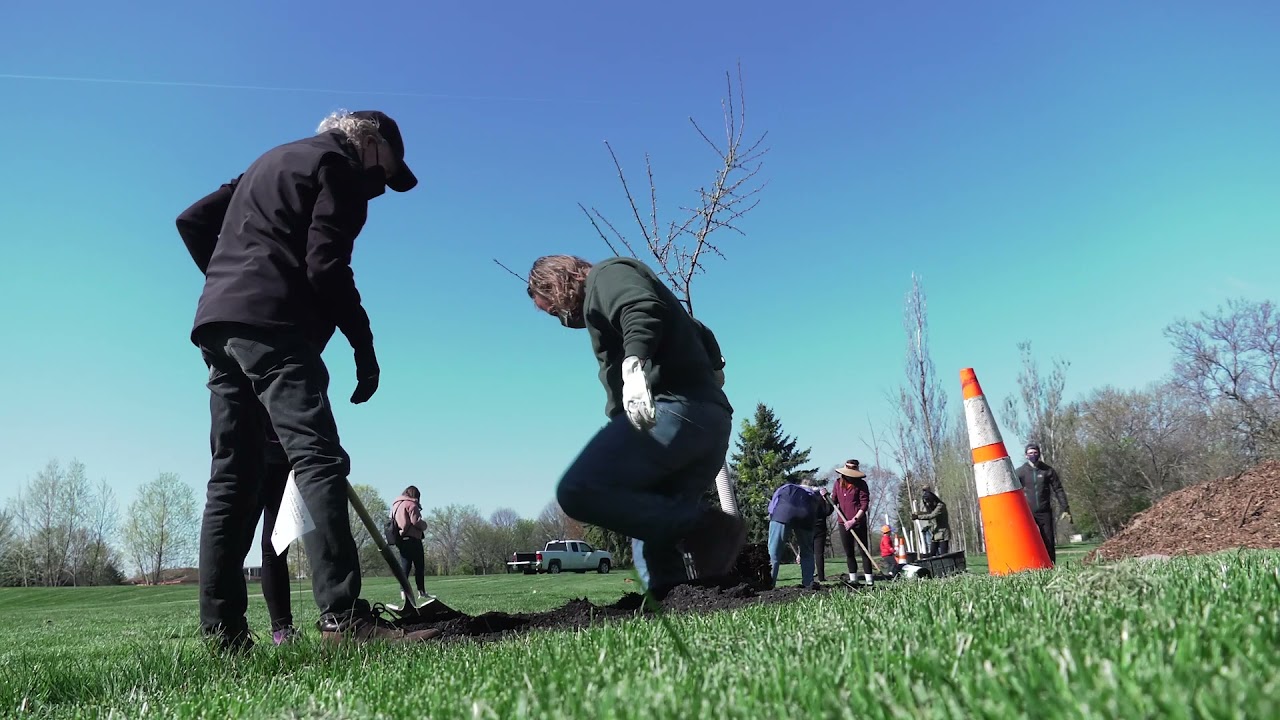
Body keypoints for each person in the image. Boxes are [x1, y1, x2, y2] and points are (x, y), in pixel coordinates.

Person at [176, 109, 438, 648]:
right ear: (367, 143)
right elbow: (326, 266)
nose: (382, 186)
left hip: (218, 326)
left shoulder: (265, 163)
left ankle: (222, 636)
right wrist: (364, 348)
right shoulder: (337, 167)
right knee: (318, 458)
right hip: (272, 327)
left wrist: (236, 279)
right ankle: (343, 620)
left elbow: (194, 221)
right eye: (386, 171)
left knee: (231, 478)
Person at [525, 254, 744, 599]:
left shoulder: (607, 276)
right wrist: (711, 367)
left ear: (559, 283)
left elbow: (640, 307)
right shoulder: (614, 290)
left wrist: (634, 365)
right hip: (707, 422)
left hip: (673, 412)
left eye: (555, 309)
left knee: (579, 489)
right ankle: (682, 603)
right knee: (651, 530)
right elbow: (695, 327)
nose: (563, 319)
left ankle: (706, 527)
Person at [256, 422, 298, 645]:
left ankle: (282, 631)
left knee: (274, 546)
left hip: (279, 456)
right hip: (261, 453)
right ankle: (225, 630)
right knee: (272, 549)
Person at [1015, 443, 1072, 564]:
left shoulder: (1048, 471)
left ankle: (1050, 566)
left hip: (1045, 511)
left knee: (1048, 540)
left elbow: (1058, 489)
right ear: (1026, 455)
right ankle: (1030, 566)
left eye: (1035, 453)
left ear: (1039, 454)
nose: (1033, 455)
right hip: (1028, 513)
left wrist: (1065, 508)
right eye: (1030, 453)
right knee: (1027, 540)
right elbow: (1014, 492)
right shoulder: (1020, 472)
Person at [765, 478, 825, 590]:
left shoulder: (786, 488)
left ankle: (769, 585)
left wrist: (774, 519)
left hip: (782, 514)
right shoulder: (814, 495)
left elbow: (772, 507)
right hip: (806, 516)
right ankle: (808, 584)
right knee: (807, 552)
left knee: (773, 553)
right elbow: (821, 512)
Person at [832, 460, 874, 577]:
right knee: (849, 553)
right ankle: (853, 579)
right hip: (843, 523)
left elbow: (864, 504)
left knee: (864, 551)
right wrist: (825, 498)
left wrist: (854, 520)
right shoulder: (837, 483)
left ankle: (869, 579)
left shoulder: (861, 485)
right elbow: (833, 501)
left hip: (858, 522)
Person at [390, 486, 429, 601]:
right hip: (413, 539)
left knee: (405, 567)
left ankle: (403, 591)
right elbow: (415, 521)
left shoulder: (395, 505)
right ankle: (421, 592)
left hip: (400, 539)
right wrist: (424, 525)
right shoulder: (411, 505)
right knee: (419, 566)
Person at [801, 474, 834, 581]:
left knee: (807, 552)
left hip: (807, 527)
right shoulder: (819, 497)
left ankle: (807, 577)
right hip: (820, 527)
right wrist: (828, 499)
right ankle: (821, 577)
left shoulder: (802, 498)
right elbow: (828, 511)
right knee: (819, 554)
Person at [912, 487, 951, 556]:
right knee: (932, 554)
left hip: (943, 533)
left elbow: (931, 516)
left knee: (943, 554)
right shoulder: (933, 508)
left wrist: (918, 517)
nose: (928, 504)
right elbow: (927, 514)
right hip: (935, 533)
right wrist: (918, 514)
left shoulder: (940, 506)